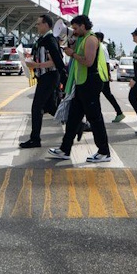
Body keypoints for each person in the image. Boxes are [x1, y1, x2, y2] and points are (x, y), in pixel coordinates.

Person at [47, 15, 111, 164]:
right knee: (74, 117)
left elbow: (88, 62)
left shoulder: (91, 39)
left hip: (90, 82)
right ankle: (65, 149)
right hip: (83, 82)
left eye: (76, 28)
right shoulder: (83, 39)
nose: (74, 31)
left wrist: (72, 54)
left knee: (95, 118)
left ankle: (104, 151)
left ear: (83, 26)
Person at [20, 14, 67, 148]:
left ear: (46, 24)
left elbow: (55, 62)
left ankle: (35, 139)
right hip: (45, 77)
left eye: (39, 23)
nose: (37, 26)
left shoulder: (50, 40)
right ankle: (79, 125)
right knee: (51, 108)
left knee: (37, 107)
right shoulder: (43, 39)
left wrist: (36, 65)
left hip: (49, 77)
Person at [95, 31, 126, 123]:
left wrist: (108, 75)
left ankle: (98, 117)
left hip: (101, 76)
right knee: (108, 95)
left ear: (99, 39)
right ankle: (119, 112)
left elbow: (106, 62)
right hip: (103, 75)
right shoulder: (102, 47)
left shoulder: (100, 47)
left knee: (97, 96)